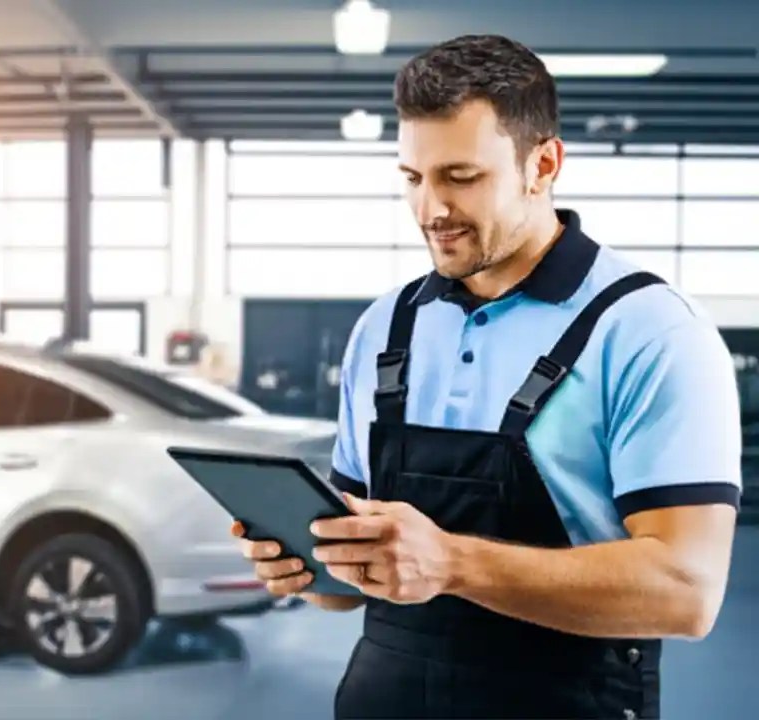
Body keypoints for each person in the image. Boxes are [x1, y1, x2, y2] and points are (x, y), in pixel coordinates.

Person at [231, 34, 741, 719]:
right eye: (413, 178)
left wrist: (454, 564)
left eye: (461, 177)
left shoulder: (651, 331)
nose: (430, 209)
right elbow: (346, 588)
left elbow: (687, 592)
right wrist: (308, 564)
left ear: (543, 165)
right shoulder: (386, 327)